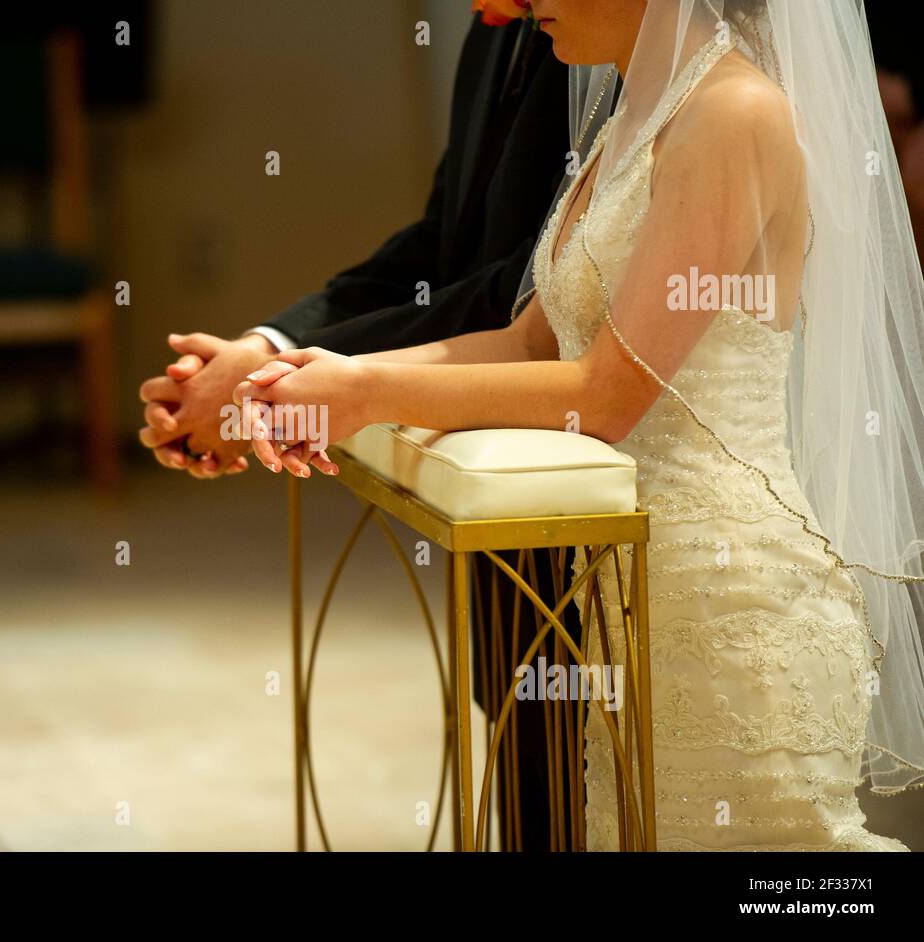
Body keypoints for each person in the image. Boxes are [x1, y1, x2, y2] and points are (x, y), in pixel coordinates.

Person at [239, 0, 924, 850]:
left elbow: (604, 396)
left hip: (722, 605)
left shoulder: (732, 114)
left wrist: (369, 394)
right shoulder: (640, 113)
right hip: (617, 587)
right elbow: (528, 337)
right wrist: (326, 379)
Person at [138, 9, 579, 849]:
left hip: (593, 444)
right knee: (528, 737)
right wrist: (265, 351)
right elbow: (436, 249)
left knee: (595, 747)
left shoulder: (618, 40)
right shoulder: (498, 32)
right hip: (506, 454)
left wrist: (282, 382)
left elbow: (533, 290)